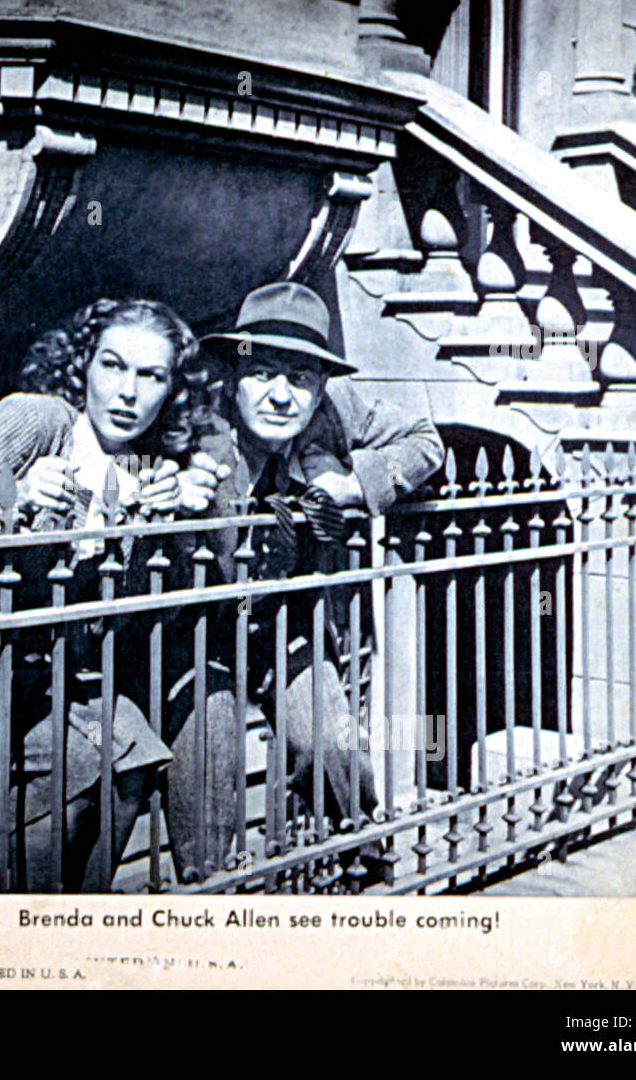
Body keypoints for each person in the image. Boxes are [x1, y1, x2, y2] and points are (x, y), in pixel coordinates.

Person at [0, 298, 228, 891]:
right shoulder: (37, 421)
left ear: (171, 389)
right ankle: (24, 918)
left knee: (133, 757)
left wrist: (165, 525)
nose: (127, 392)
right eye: (113, 366)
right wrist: (15, 497)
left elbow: (126, 619)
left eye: (151, 376)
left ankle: (78, 923)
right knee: (81, 758)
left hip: (35, 671)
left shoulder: (145, 463)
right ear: (83, 365)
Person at [177, 281, 444, 878]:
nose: (280, 396)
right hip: (193, 639)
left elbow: (426, 441)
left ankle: (358, 866)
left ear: (322, 385)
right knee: (209, 753)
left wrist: (356, 483)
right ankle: (211, 891)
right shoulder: (188, 425)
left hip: (282, 630)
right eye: (264, 373)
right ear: (232, 375)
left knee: (336, 746)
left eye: (299, 379)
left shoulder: (335, 413)